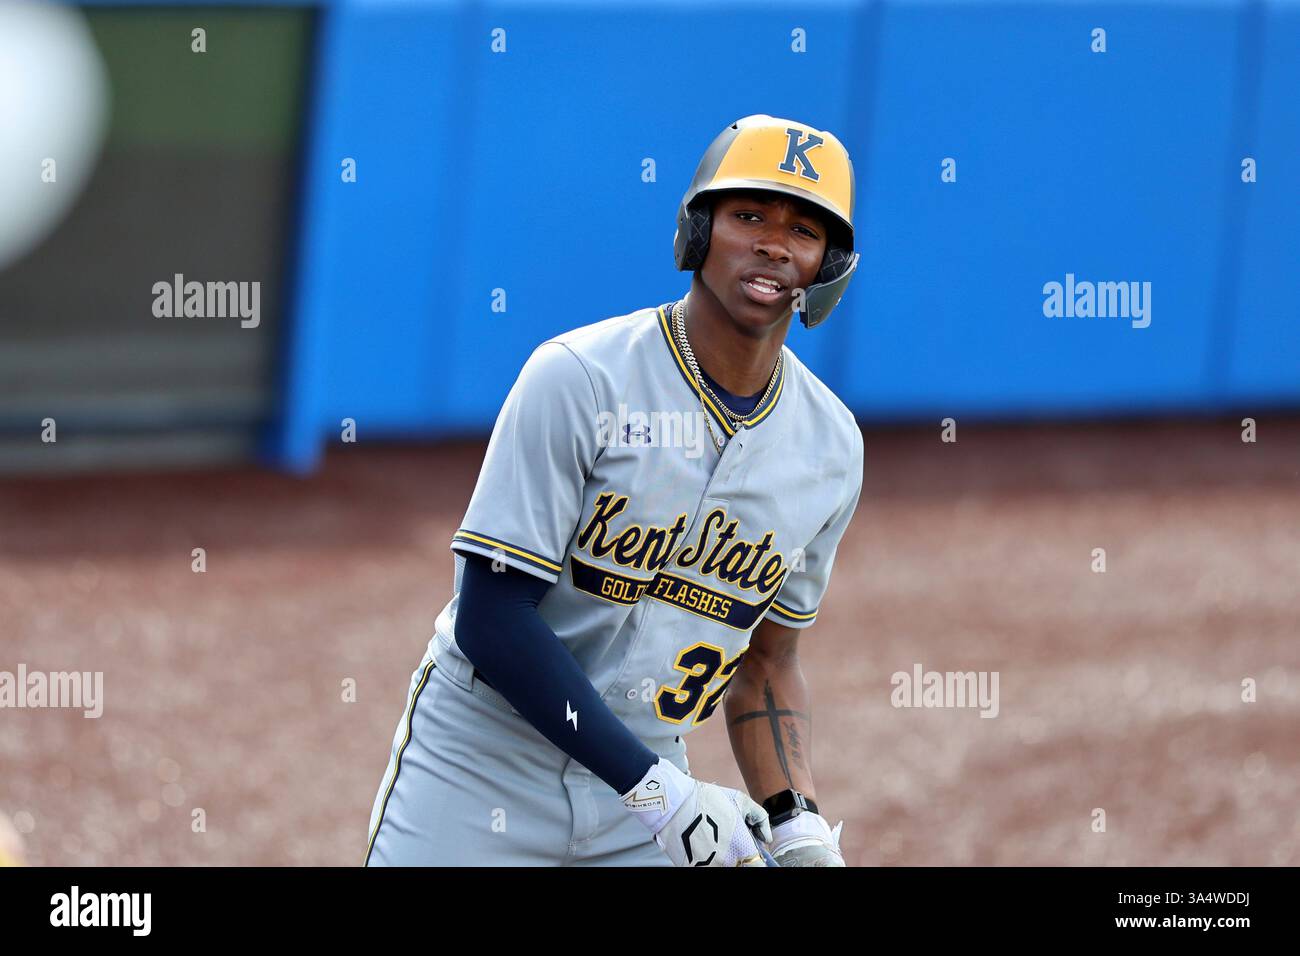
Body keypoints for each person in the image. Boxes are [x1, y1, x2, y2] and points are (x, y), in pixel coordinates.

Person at [366, 114, 863, 867]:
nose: (772, 243)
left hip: (649, 780)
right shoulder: (581, 377)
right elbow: (493, 617)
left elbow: (766, 661)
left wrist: (793, 819)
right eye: (749, 215)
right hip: (482, 764)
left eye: (803, 229)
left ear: (826, 268)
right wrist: (658, 795)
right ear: (698, 233)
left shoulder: (830, 447)